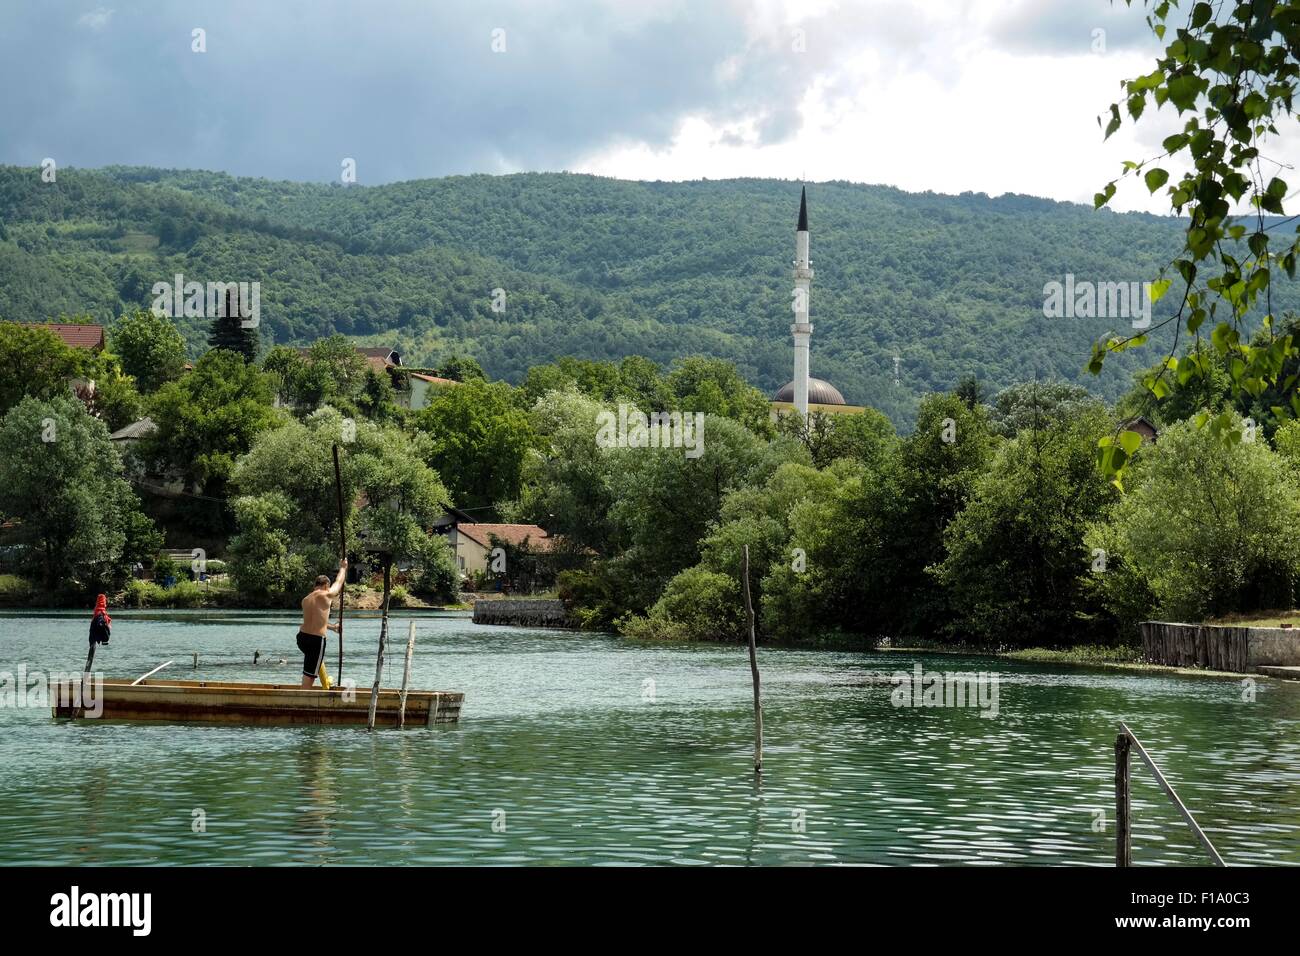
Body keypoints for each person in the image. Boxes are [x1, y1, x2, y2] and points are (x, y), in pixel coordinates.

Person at [297, 559, 347, 689]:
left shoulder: (306, 599)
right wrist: (343, 568)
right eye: (328, 587)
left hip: (302, 638)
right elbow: (339, 583)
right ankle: (303, 698)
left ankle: (326, 684)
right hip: (315, 641)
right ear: (325, 585)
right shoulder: (326, 595)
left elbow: (315, 622)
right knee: (309, 674)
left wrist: (333, 627)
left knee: (314, 664)